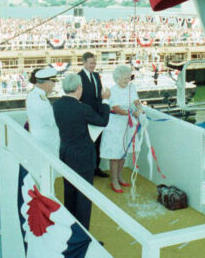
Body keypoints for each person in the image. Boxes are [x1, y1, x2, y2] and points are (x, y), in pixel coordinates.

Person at [52, 74, 110, 229]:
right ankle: (84, 235)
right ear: (79, 88)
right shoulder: (82, 108)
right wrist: (105, 101)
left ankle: (69, 229)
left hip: (66, 154)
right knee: (84, 198)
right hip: (83, 157)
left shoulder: (56, 105)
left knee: (69, 194)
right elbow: (102, 121)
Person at [100, 65, 143, 193]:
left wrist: (139, 109)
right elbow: (117, 109)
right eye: (125, 78)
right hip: (116, 124)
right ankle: (114, 180)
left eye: (129, 77)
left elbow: (137, 102)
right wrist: (131, 114)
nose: (127, 80)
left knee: (124, 151)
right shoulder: (112, 90)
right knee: (115, 153)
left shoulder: (132, 87)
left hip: (128, 124)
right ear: (117, 78)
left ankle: (120, 176)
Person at [78, 52, 109, 178]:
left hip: (97, 115)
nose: (93, 65)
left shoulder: (96, 75)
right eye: (91, 63)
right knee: (86, 145)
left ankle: (96, 168)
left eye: (94, 63)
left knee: (97, 143)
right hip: (85, 116)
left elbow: (98, 96)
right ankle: (86, 170)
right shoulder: (78, 77)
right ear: (84, 62)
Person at [26, 67, 60, 155]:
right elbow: (52, 121)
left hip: (41, 140)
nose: (54, 85)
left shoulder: (33, 95)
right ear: (44, 82)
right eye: (53, 82)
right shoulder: (40, 99)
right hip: (46, 143)